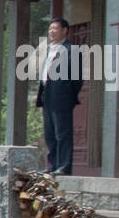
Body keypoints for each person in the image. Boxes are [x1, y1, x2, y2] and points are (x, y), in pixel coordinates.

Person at [35, 17, 83, 175]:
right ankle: (52, 165)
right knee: (49, 133)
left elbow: (77, 78)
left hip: (62, 97)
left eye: (55, 28)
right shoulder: (48, 50)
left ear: (64, 30)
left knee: (62, 133)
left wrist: (67, 94)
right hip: (46, 95)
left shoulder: (71, 49)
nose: (51, 31)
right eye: (50, 29)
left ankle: (64, 166)